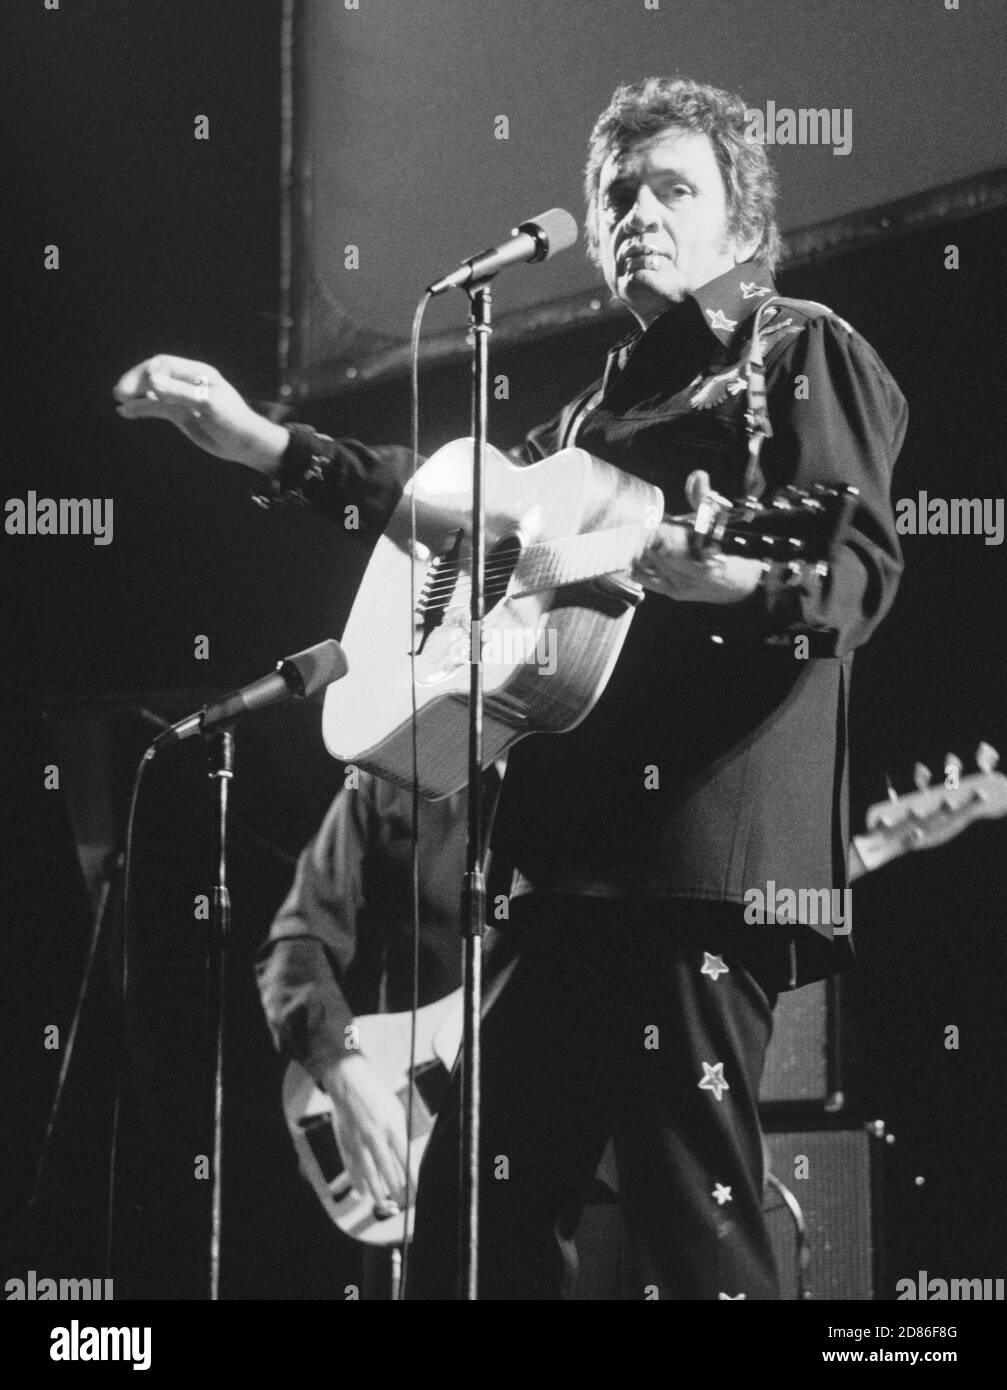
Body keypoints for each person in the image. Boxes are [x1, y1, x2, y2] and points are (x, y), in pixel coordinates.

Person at [114, 75, 907, 1299]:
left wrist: (733, 588)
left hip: (692, 870)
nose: (635, 210)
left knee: (697, 1233)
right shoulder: (590, 416)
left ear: (742, 227)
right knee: (465, 1232)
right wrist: (266, 443)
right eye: (616, 194)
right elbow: (441, 510)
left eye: (671, 188)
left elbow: (851, 570)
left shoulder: (797, 345)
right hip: (565, 883)